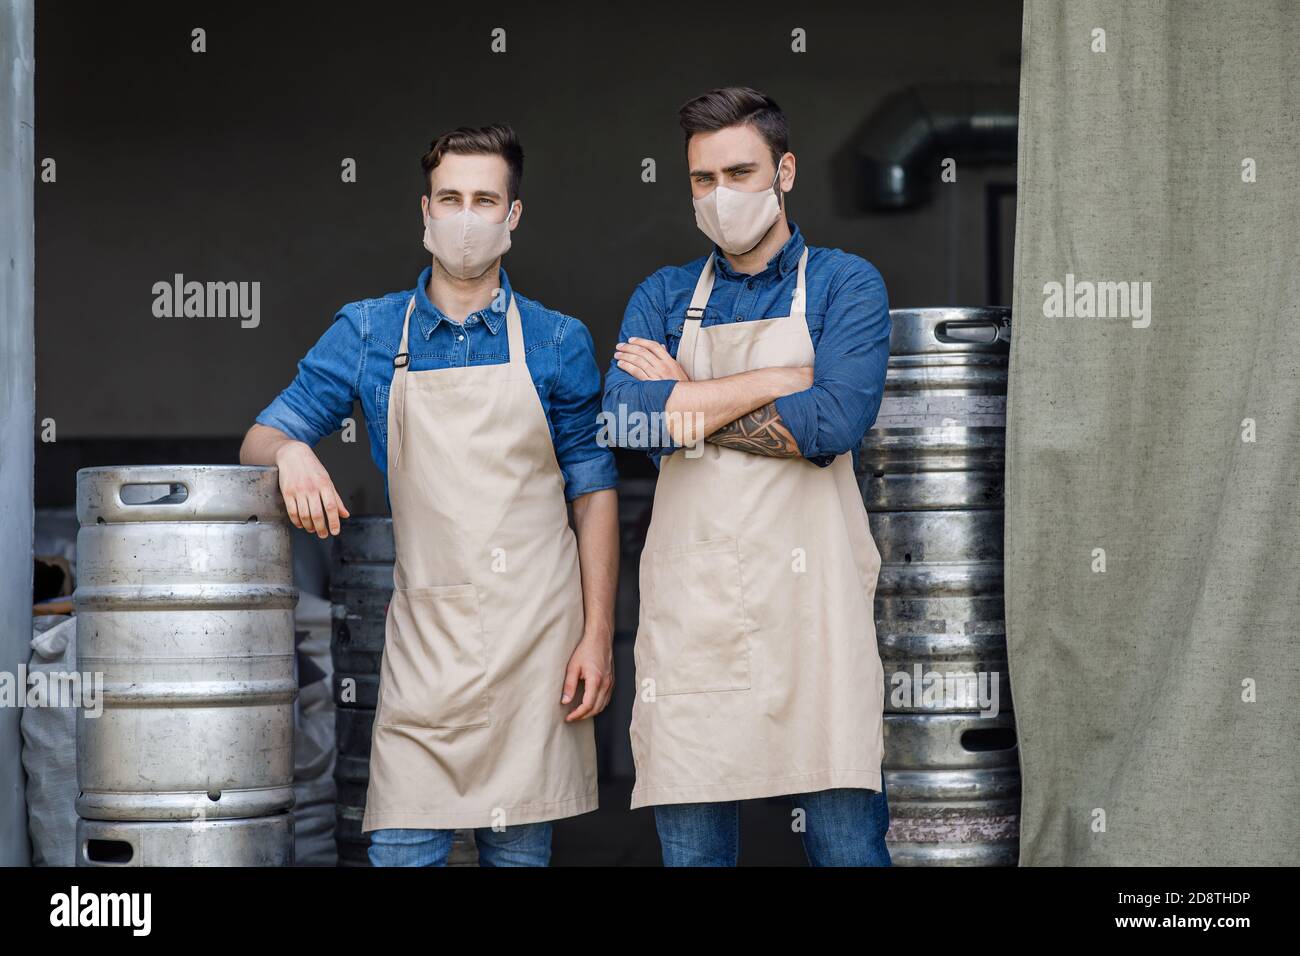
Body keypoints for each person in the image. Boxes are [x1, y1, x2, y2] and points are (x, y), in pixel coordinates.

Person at [240, 124, 619, 867]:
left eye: (485, 200)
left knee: (518, 854)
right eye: (450, 199)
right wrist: (290, 453)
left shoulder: (557, 341)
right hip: (426, 646)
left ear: (513, 215)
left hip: (537, 643)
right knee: (402, 849)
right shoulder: (369, 331)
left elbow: (594, 491)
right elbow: (261, 435)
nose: (466, 218)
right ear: (425, 210)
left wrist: (598, 634)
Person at [602, 87, 894, 866]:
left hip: (815, 615)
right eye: (703, 179)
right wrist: (780, 380)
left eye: (740, 173)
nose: (720, 195)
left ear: (784, 172)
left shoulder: (845, 284)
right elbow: (627, 422)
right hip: (695, 619)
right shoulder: (664, 295)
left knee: (846, 846)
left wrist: (686, 403)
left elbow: (833, 422)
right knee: (693, 851)